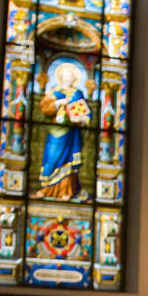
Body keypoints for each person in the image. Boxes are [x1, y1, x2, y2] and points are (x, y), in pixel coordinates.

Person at [33, 63, 91, 199]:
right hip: (55, 131)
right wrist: (59, 103)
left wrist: (82, 119)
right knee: (51, 159)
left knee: (68, 162)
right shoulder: (53, 91)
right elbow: (44, 108)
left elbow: (85, 110)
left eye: (71, 75)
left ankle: (67, 191)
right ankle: (47, 188)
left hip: (71, 133)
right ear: (60, 77)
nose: (68, 77)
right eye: (66, 75)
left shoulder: (77, 93)